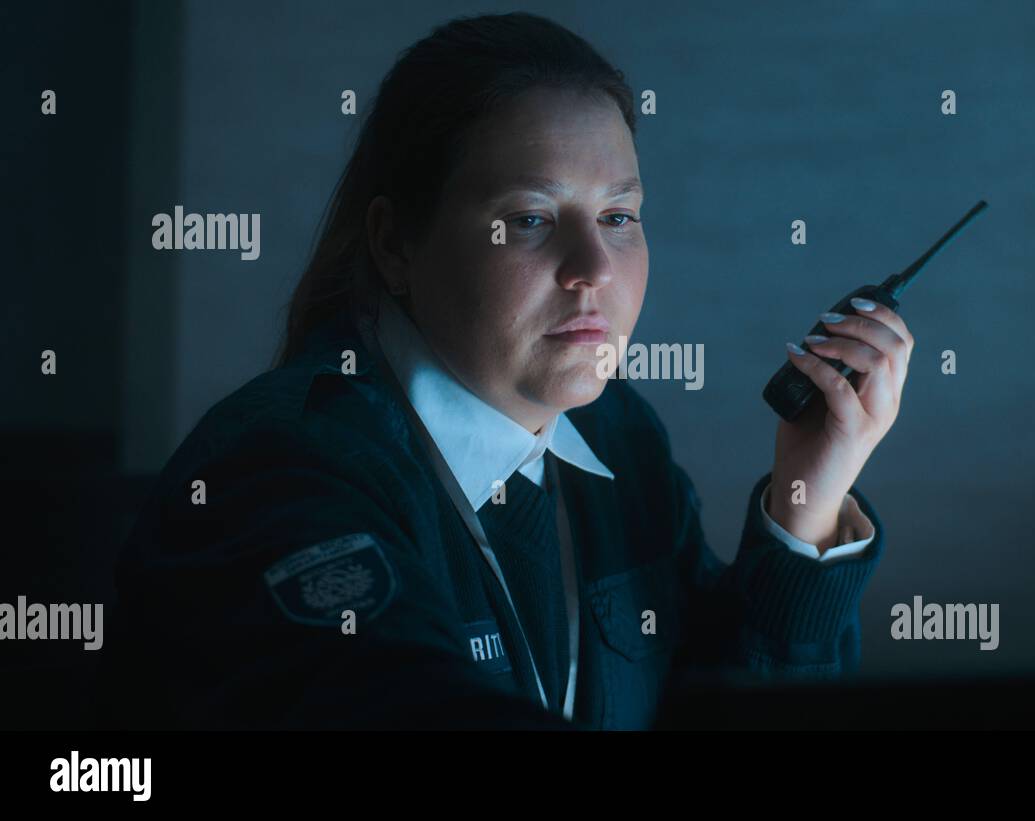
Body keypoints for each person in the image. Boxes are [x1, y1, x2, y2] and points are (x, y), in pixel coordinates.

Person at [101, 11, 913, 730]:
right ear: (395, 243)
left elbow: (727, 699)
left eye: (618, 216)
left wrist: (808, 500)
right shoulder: (276, 468)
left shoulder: (620, 436)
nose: (594, 267)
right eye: (529, 219)